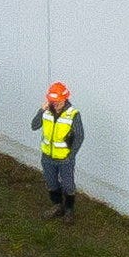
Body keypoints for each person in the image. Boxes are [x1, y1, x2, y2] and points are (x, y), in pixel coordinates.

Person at [31, 82, 85, 218]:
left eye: (58, 101)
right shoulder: (46, 111)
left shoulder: (73, 114)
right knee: (51, 183)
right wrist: (41, 110)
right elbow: (34, 126)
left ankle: (69, 210)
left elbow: (79, 136)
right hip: (47, 157)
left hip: (65, 159)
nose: (55, 104)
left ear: (65, 99)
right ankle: (57, 206)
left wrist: (71, 156)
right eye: (52, 101)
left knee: (68, 185)